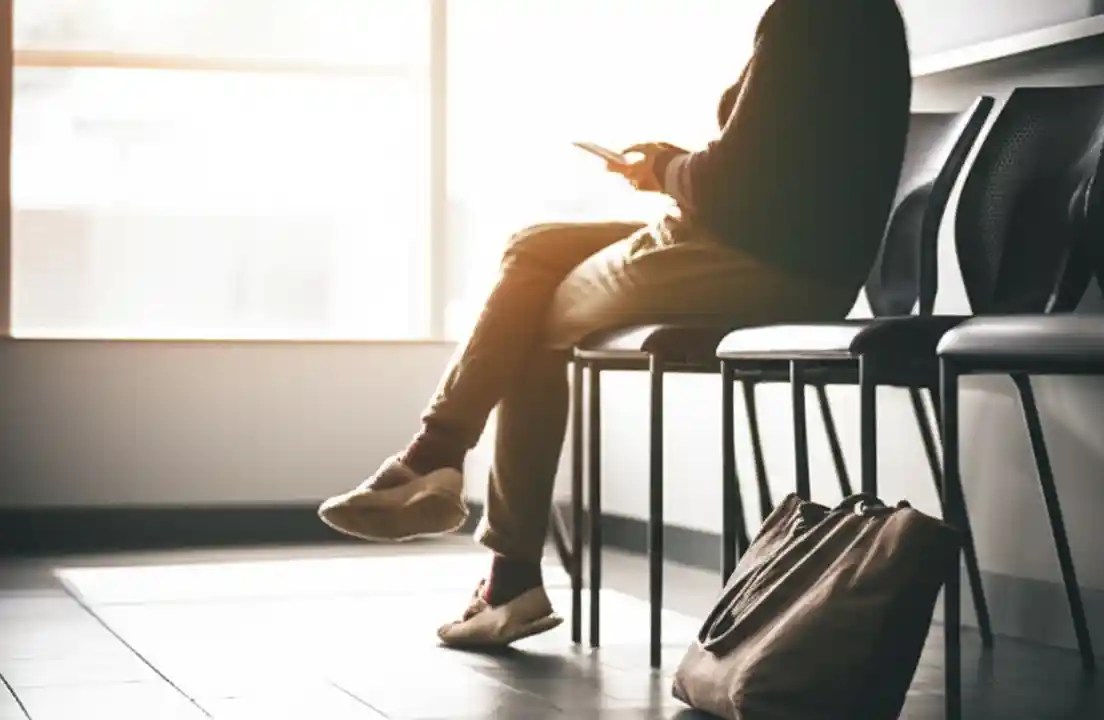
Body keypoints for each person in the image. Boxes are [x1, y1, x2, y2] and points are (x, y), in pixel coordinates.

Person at [319, 0, 911, 648]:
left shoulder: (809, 15)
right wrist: (671, 165)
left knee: (527, 309)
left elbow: (741, 188)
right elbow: (773, 175)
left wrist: (666, 170)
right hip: (785, 258)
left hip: (757, 263)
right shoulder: (862, 16)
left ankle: (467, 509)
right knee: (532, 248)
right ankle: (453, 482)